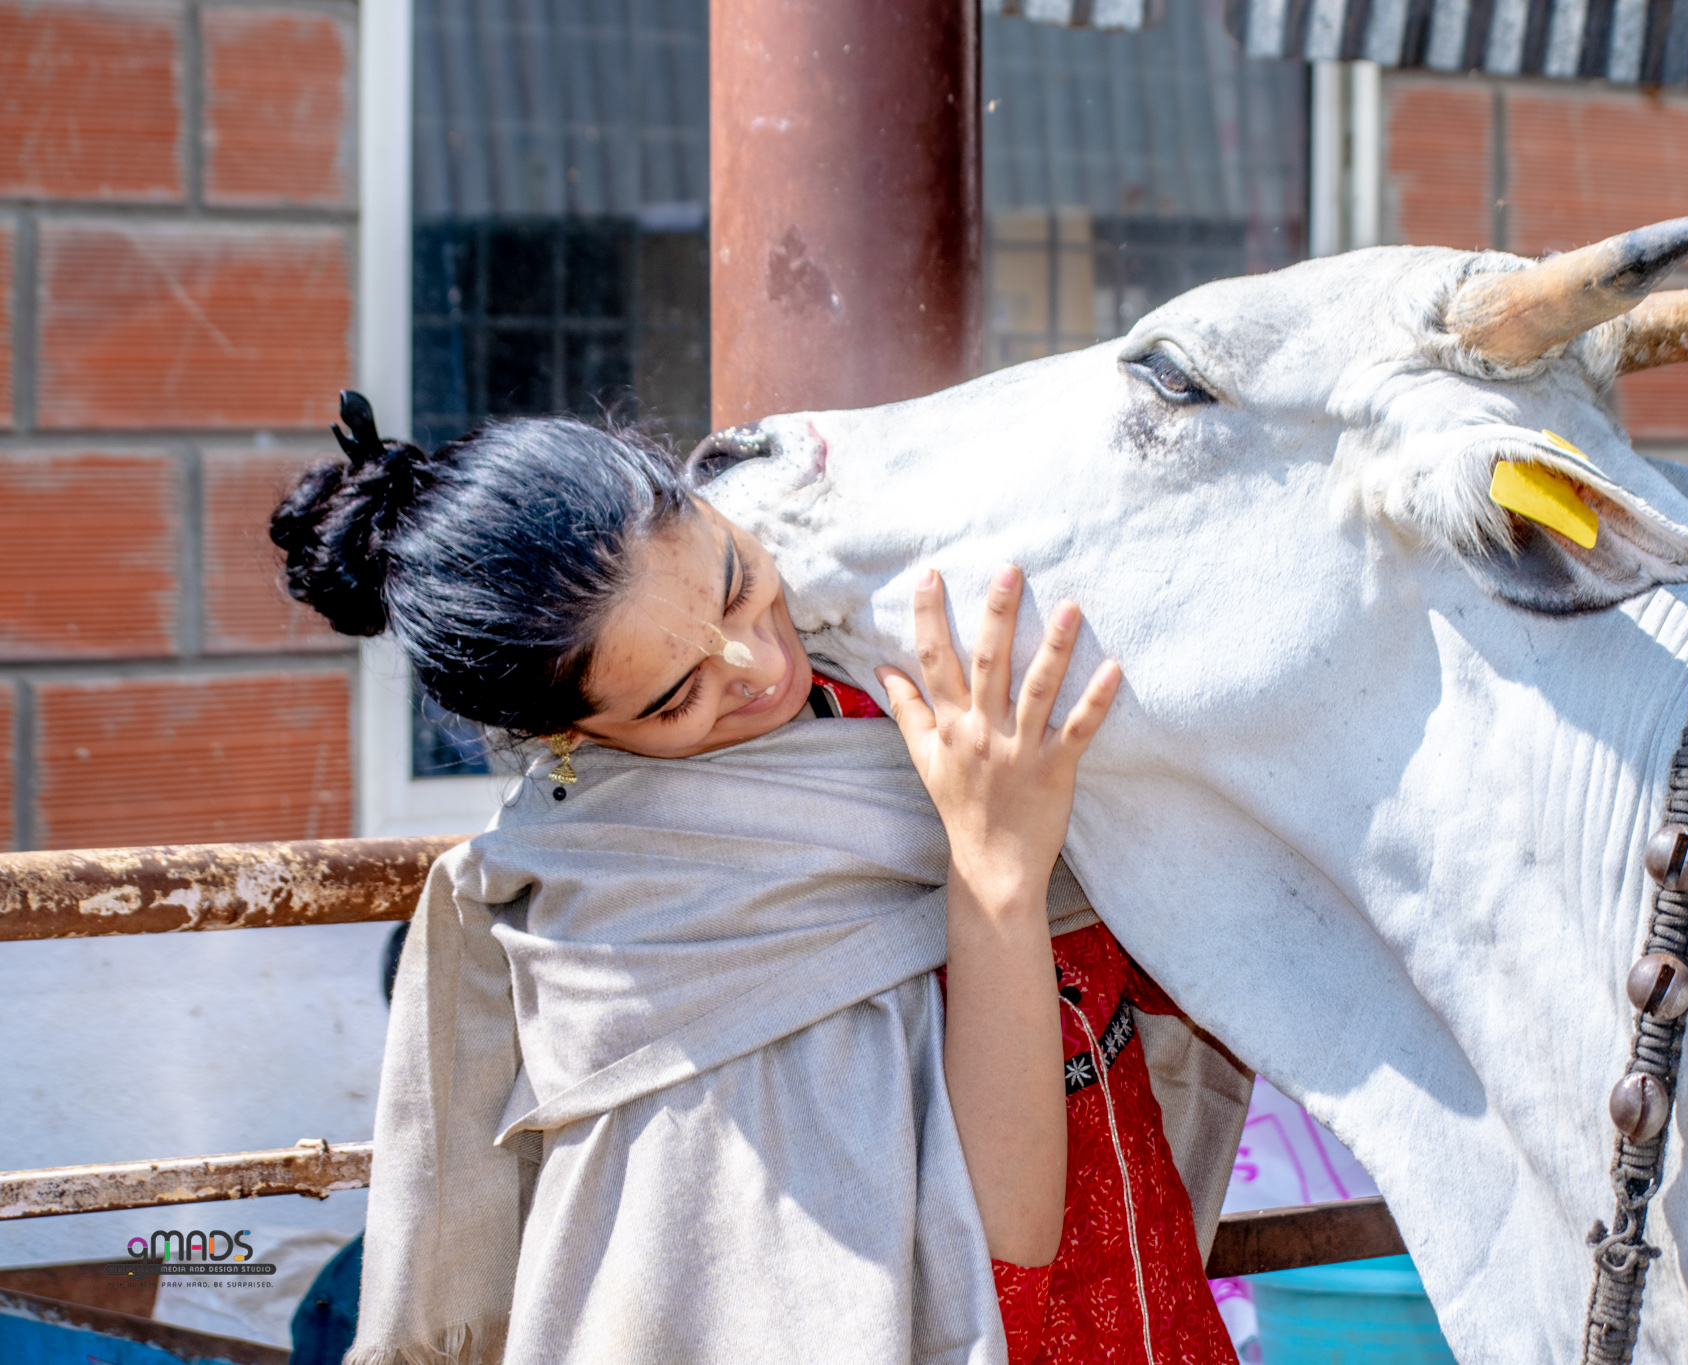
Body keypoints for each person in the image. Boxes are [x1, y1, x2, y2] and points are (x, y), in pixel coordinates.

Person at [272, 395, 1245, 1365]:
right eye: (676, 696)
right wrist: (994, 872)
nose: (759, 664)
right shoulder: (651, 921)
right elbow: (994, 1257)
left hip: (1152, 1308)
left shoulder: (880, 652)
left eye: (735, 584)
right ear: (564, 734)